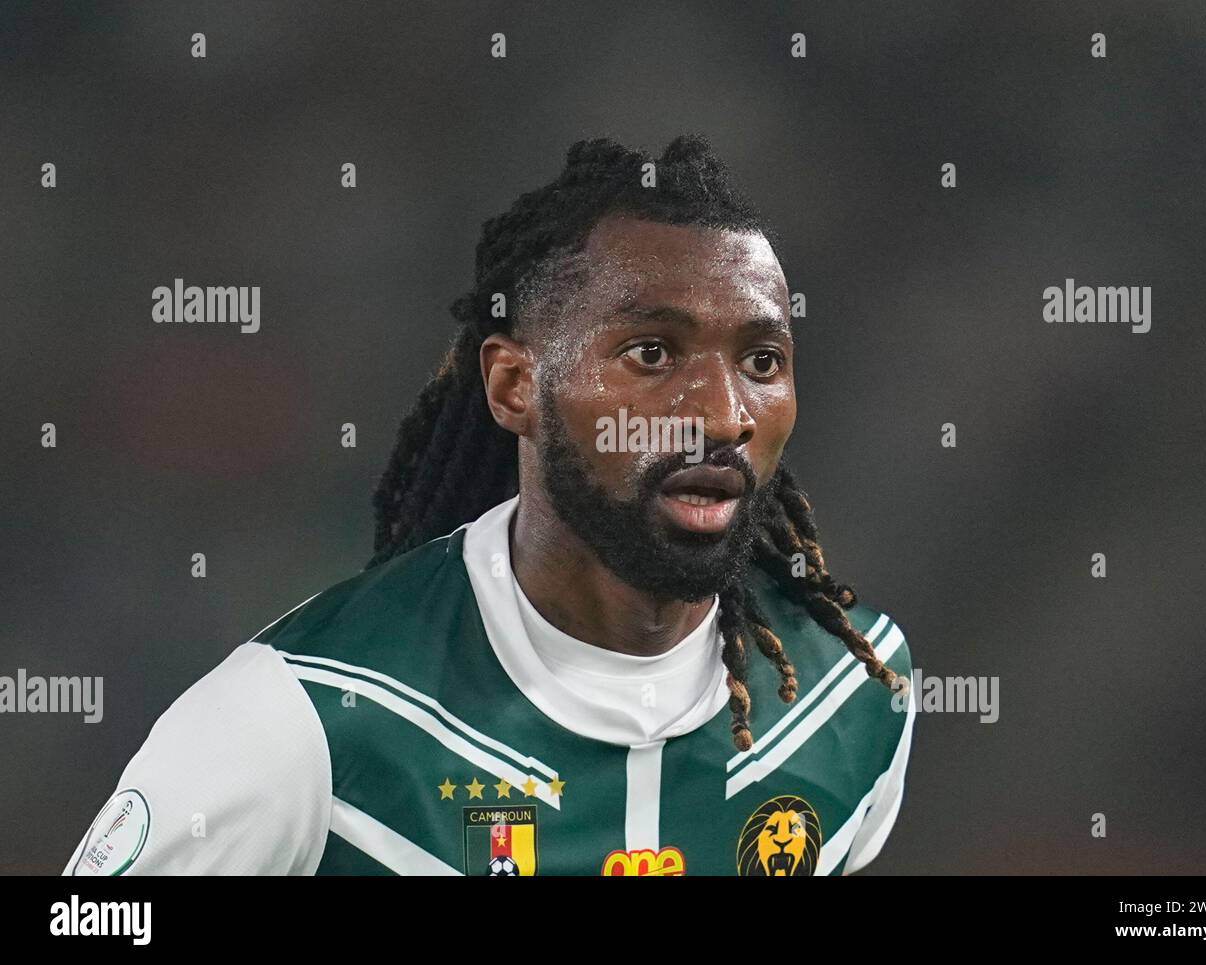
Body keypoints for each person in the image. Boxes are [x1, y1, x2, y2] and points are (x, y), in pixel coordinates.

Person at [64, 134, 915, 876]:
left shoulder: (853, 695)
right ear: (514, 385)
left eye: (762, 362)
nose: (723, 415)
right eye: (653, 354)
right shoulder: (303, 718)